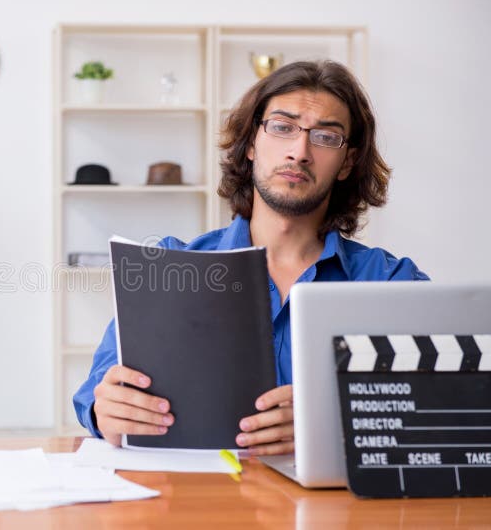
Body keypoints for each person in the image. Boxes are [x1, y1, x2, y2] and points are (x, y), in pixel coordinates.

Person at [72, 60, 429, 455]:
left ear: (347, 162)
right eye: (282, 127)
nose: (300, 151)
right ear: (252, 142)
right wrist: (106, 410)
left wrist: (332, 424)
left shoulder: (392, 283)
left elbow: (445, 411)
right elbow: (95, 394)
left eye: (326, 137)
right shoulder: (169, 269)